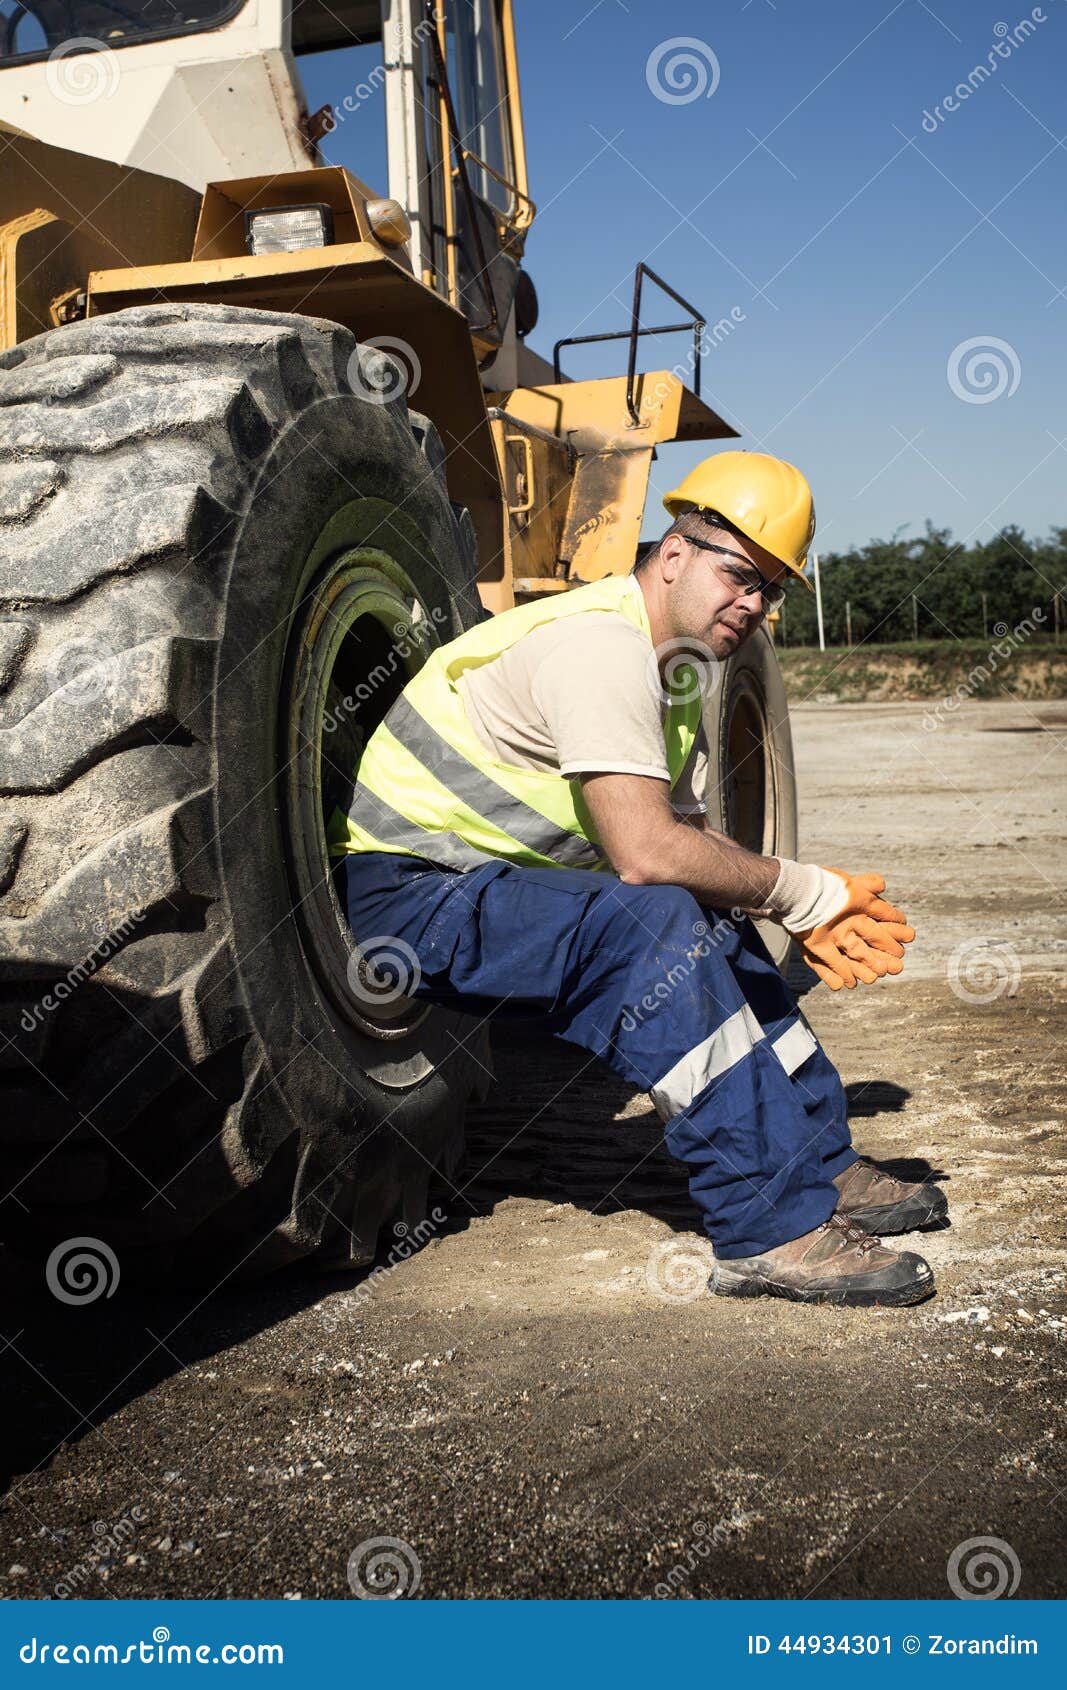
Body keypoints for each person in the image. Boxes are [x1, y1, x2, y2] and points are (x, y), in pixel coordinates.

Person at [332, 451, 946, 1307]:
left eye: (770, 590)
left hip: (487, 889)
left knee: (710, 913)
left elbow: (685, 845)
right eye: (740, 575)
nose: (754, 604)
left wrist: (774, 899)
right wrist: (803, 892)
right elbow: (645, 853)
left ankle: (817, 1162)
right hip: (410, 902)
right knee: (648, 922)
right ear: (673, 554)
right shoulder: (598, 646)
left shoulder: (673, 673)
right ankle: (771, 1226)